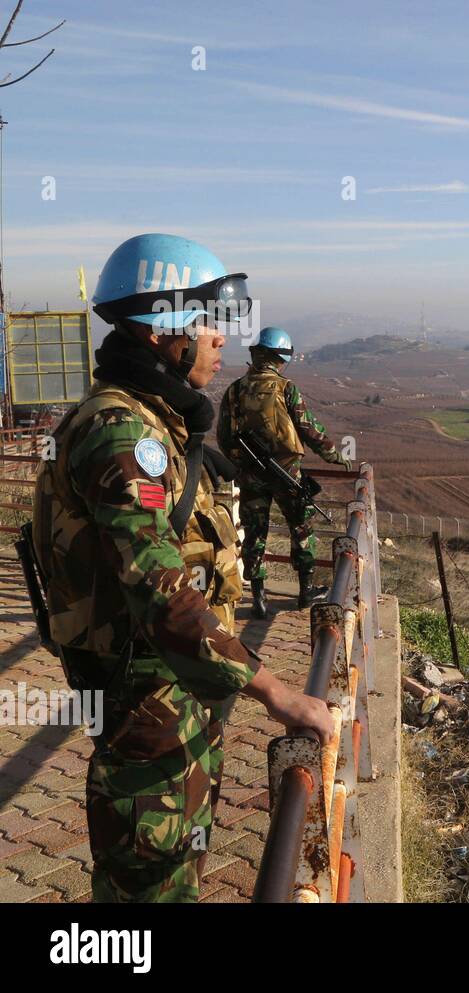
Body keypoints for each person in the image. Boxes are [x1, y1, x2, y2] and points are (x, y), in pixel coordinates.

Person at [31, 233, 333, 902]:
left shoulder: (154, 424)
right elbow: (161, 590)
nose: (221, 340)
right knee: (148, 894)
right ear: (165, 330)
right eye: (207, 322)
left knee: (170, 881)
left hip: (172, 709)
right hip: (148, 719)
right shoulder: (122, 434)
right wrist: (280, 694)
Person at [218, 326, 352, 617]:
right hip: (287, 473)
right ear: (281, 358)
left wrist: (242, 463)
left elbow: (224, 438)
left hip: (251, 475)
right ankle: (305, 591)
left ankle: (259, 598)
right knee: (301, 529)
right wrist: (335, 456)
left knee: (254, 533)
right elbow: (309, 429)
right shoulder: (286, 388)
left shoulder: (235, 390)